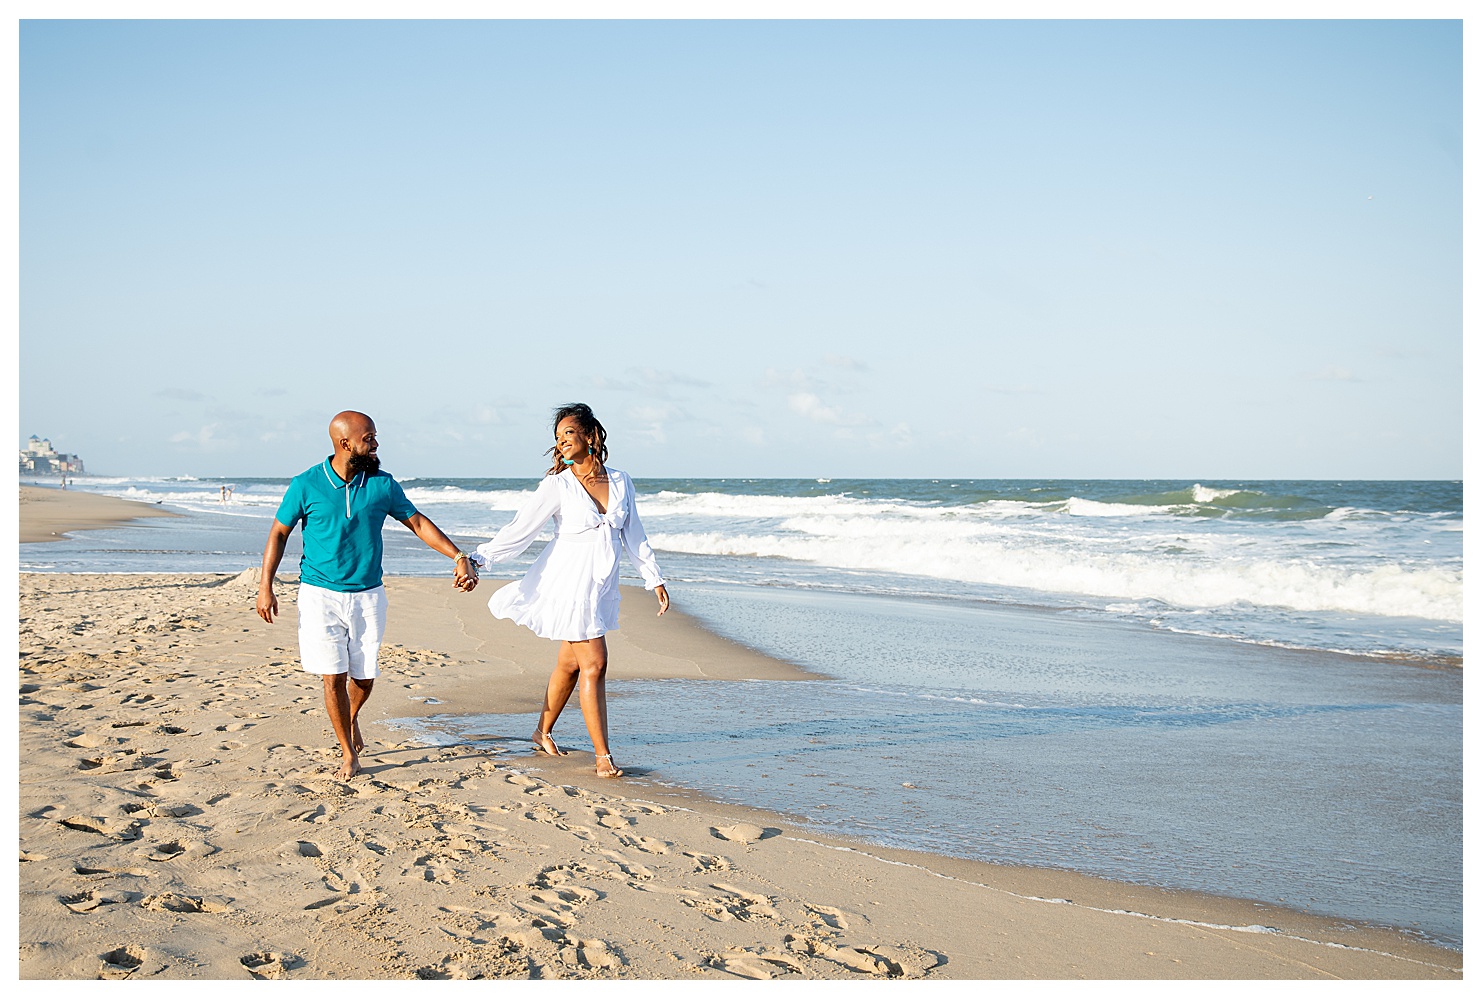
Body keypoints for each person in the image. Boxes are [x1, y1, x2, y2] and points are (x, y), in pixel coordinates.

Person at [256, 411, 479, 779]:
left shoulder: (382, 484)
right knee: (333, 676)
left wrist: (458, 556)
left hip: (368, 595)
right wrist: (266, 586)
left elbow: (417, 522)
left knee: (363, 678)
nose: (376, 444)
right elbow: (279, 533)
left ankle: (351, 715)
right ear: (345, 444)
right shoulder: (306, 484)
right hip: (319, 594)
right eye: (369, 438)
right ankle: (348, 752)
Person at [466, 403, 669, 778]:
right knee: (595, 663)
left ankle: (541, 732)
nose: (561, 442)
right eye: (557, 437)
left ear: (590, 436)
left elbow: (634, 534)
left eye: (568, 434)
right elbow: (520, 529)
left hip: (600, 584)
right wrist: (477, 560)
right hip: (567, 582)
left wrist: (653, 577)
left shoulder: (621, 481)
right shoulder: (557, 485)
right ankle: (603, 756)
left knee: (570, 663)